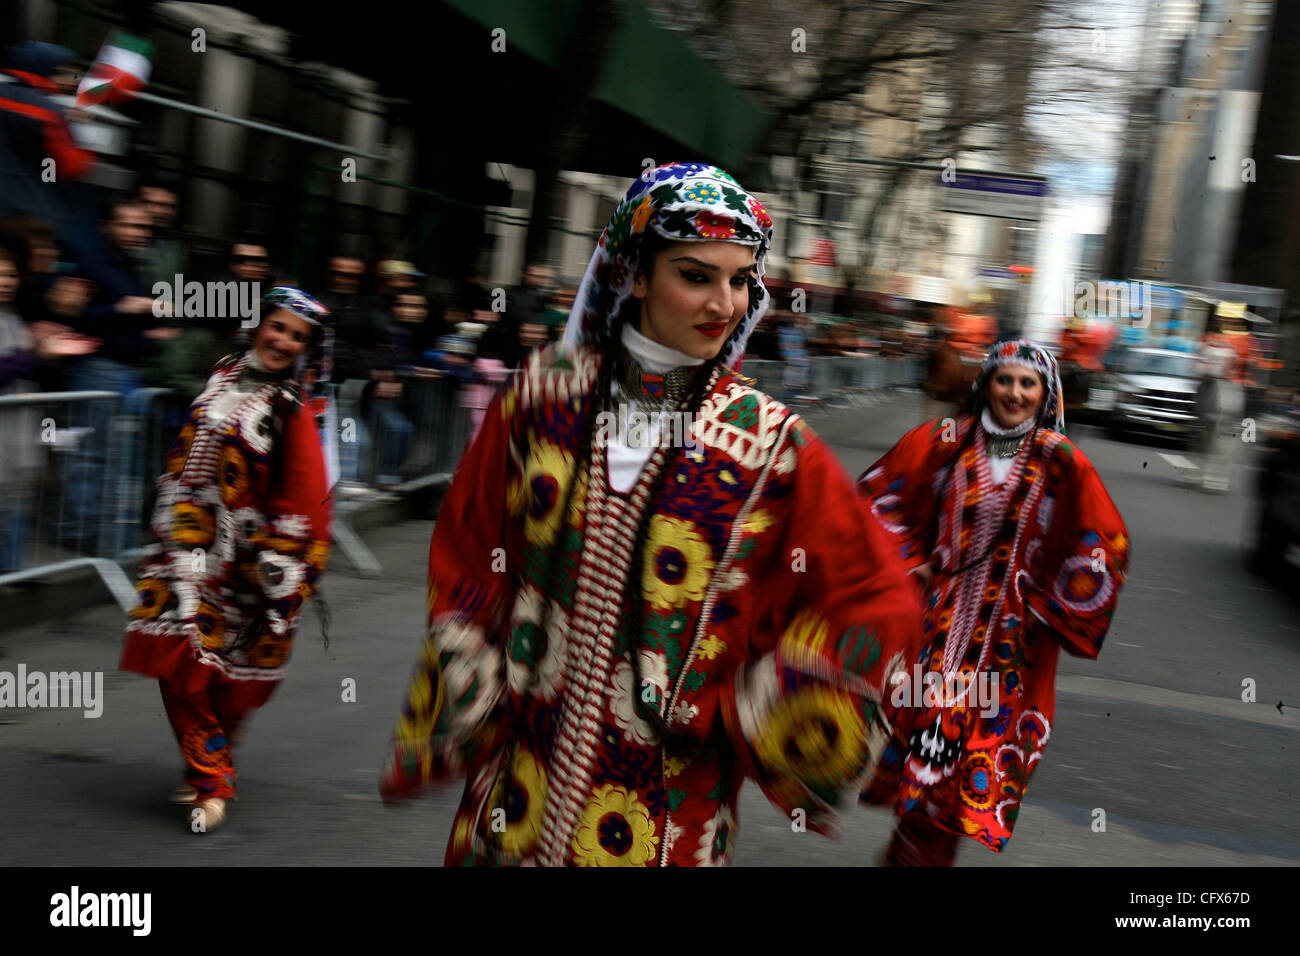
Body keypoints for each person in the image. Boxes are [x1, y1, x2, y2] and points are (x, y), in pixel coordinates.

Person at [377, 162, 923, 866]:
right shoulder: (542, 400)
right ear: (634, 274)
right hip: (519, 787)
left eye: (738, 280)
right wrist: (477, 683)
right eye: (695, 276)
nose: (723, 303)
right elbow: (472, 549)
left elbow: (876, 597)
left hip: (668, 815)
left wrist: (749, 705)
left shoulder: (771, 444)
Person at [857, 339, 1131, 865]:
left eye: (1028, 383)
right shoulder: (945, 440)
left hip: (1007, 647)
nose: (1014, 392)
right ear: (985, 385)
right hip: (935, 634)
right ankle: (910, 855)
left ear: (1045, 394)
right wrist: (908, 562)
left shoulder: (1060, 460)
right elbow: (877, 497)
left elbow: (1104, 539)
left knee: (963, 766)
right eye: (1004, 379)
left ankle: (911, 857)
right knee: (928, 753)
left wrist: (1050, 607)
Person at [119, 288, 333, 833]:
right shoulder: (222, 374)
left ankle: (214, 762)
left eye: (297, 336)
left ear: (308, 347)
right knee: (176, 657)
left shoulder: (290, 406)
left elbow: (305, 493)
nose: (282, 340)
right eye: (277, 327)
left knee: (229, 672)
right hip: (181, 550)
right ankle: (211, 777)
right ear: (259, 325)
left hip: (243, 560)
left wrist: (282, 569)